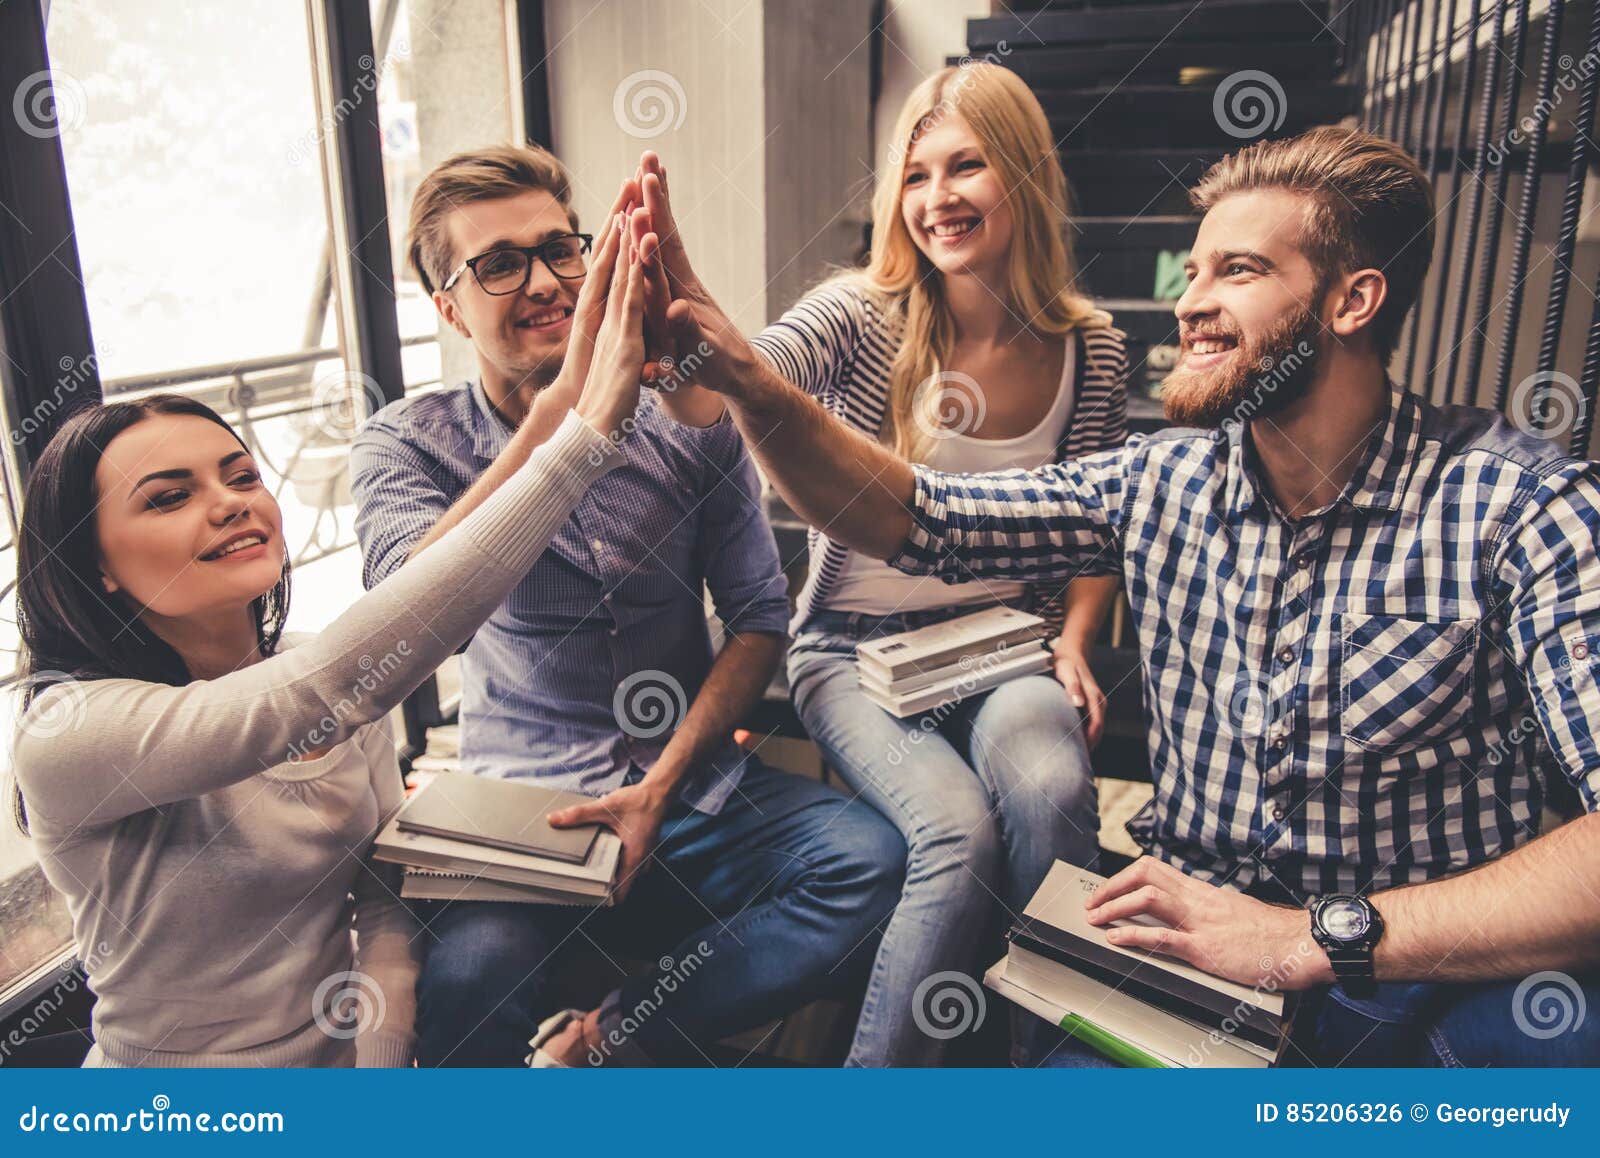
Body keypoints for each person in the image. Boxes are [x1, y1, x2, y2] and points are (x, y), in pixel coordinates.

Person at [648, 124, 1600, 1065]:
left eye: (1236, 271)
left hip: (1418, 968)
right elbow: (908, 514)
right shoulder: (1159, 481)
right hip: (1193, 958)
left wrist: (1305, 937)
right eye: (1190, 273)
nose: (1189, 304)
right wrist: (748, 383)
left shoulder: (1519, 506)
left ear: (1352, 302)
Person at [7, 203, 652, 1067]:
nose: (231, 501)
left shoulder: (313, 666)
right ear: (96, 570)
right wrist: (575, 441)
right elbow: (331, 684)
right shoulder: (66, 734)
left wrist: (377, 1076)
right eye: (168, 496)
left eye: (240, 475)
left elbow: (381, 898)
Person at [349, 144, 905, 1067]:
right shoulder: (406, 442)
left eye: (560, 248)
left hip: (687, 792)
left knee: (870, 867)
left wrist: (664, 783)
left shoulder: (689, 421)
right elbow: (403, 616)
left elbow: (762, 614)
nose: (543, 282)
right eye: (497, 264)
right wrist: (565, 413)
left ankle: (616, 1036)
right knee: (465, 985)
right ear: (448, 307)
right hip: (523, 816)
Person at [742, 63, 1126, 1065]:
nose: (935, 198)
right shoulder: (858, 316)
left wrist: (1076, 640)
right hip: (850, 655)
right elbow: (752, 375)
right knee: (958, 839)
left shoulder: (1092, 349)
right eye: (915, 175)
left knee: (1049, 790)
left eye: (967, 166)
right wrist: (707, 359)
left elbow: (1094, 523)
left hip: (1003, 646)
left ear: (1025, 176)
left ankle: (1038, 1076)